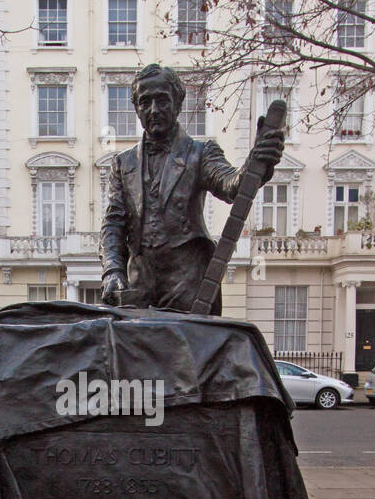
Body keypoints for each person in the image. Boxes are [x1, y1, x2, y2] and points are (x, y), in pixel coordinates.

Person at [100, 63, 284, 313]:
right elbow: (113, 223)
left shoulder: (200, 153)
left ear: (178, 103)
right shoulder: (122, 164)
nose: (153, 110)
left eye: (162, 100)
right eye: (145, 102)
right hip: (138, 285)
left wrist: (256, 163)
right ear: (136, 108)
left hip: (187, 284)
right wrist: (112, 271)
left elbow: (230, 185)